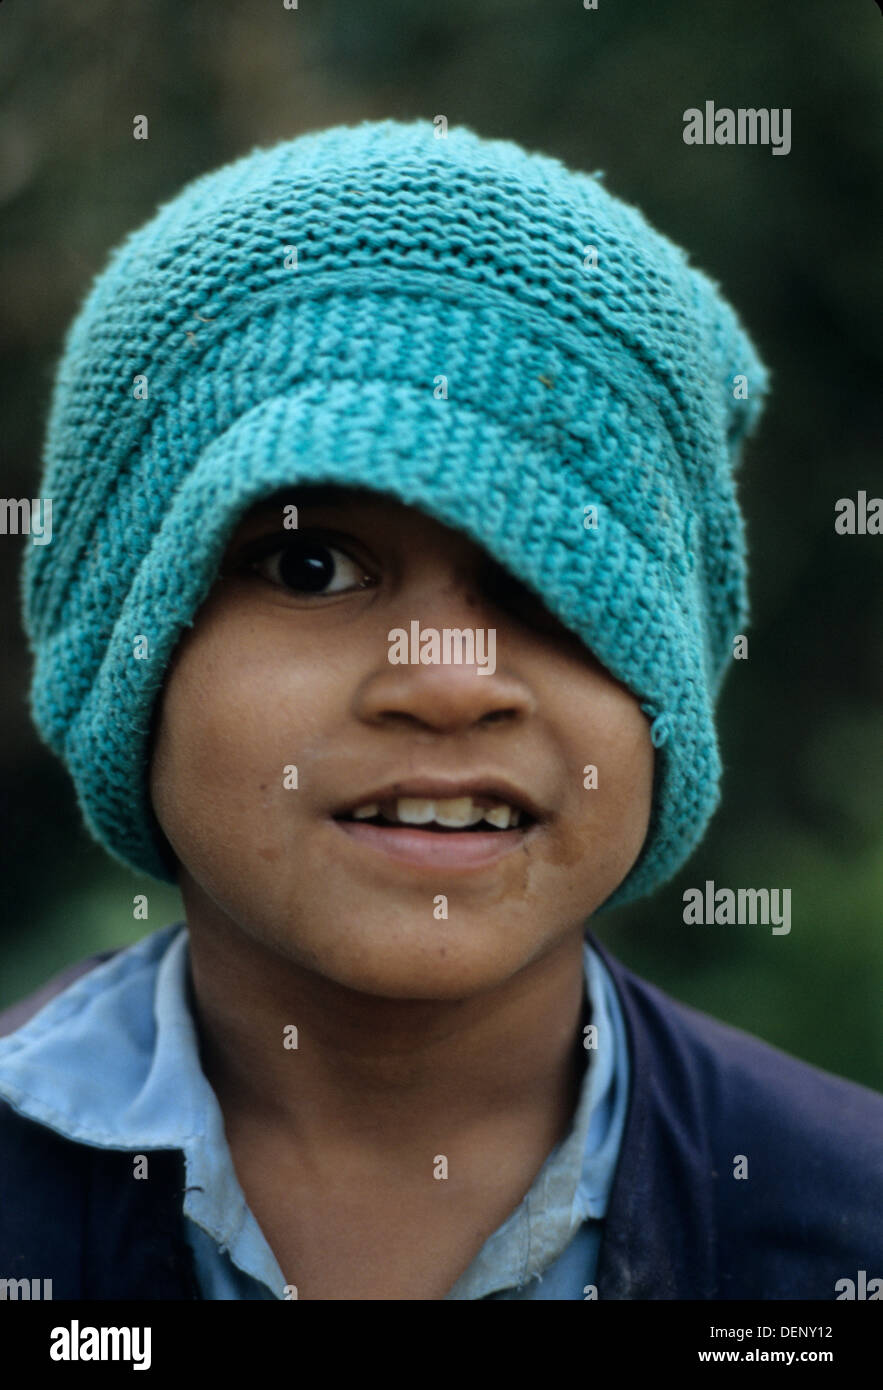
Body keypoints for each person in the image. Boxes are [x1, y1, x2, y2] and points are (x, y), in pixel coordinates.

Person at [1, 118, 880, 1301]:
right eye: (309, 568)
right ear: (125, 654)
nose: (450, 679)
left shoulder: (843, 1232)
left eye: (556, 577)